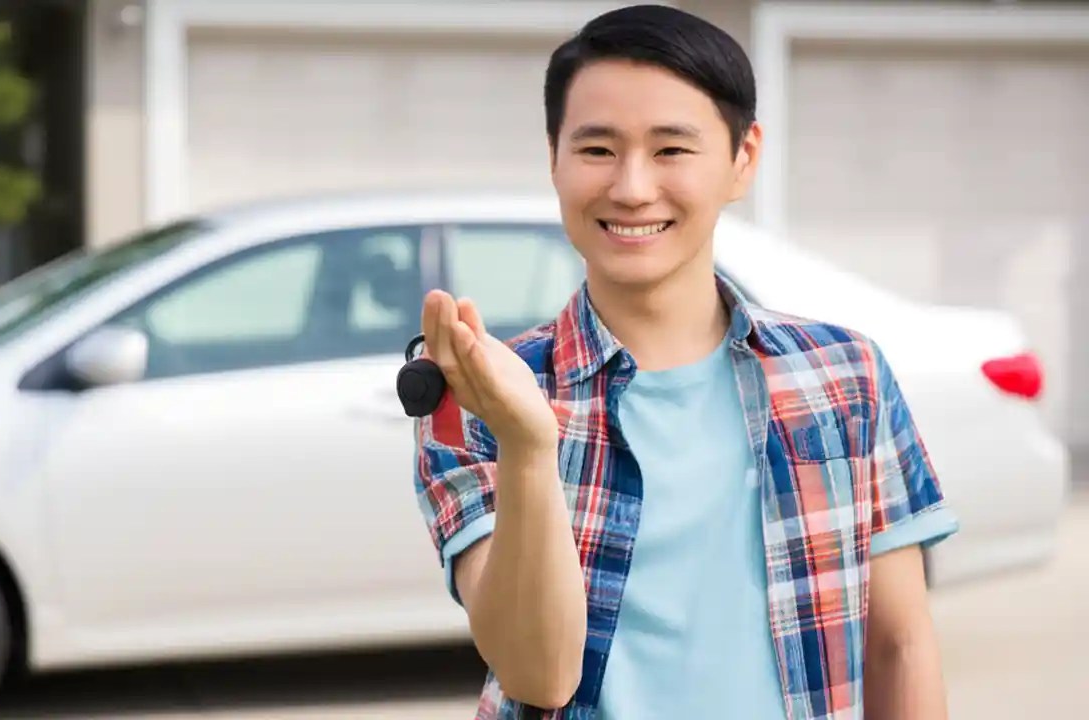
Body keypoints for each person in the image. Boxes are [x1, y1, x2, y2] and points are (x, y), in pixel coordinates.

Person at [411, 5, 960, 720]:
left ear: (743, 159)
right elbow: (536, 675)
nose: (633, 188)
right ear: (554, 160)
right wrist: (527, 444)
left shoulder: (842, 375)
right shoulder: (483, 395)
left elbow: (900, 647)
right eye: (598, 149)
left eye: (672, 150)